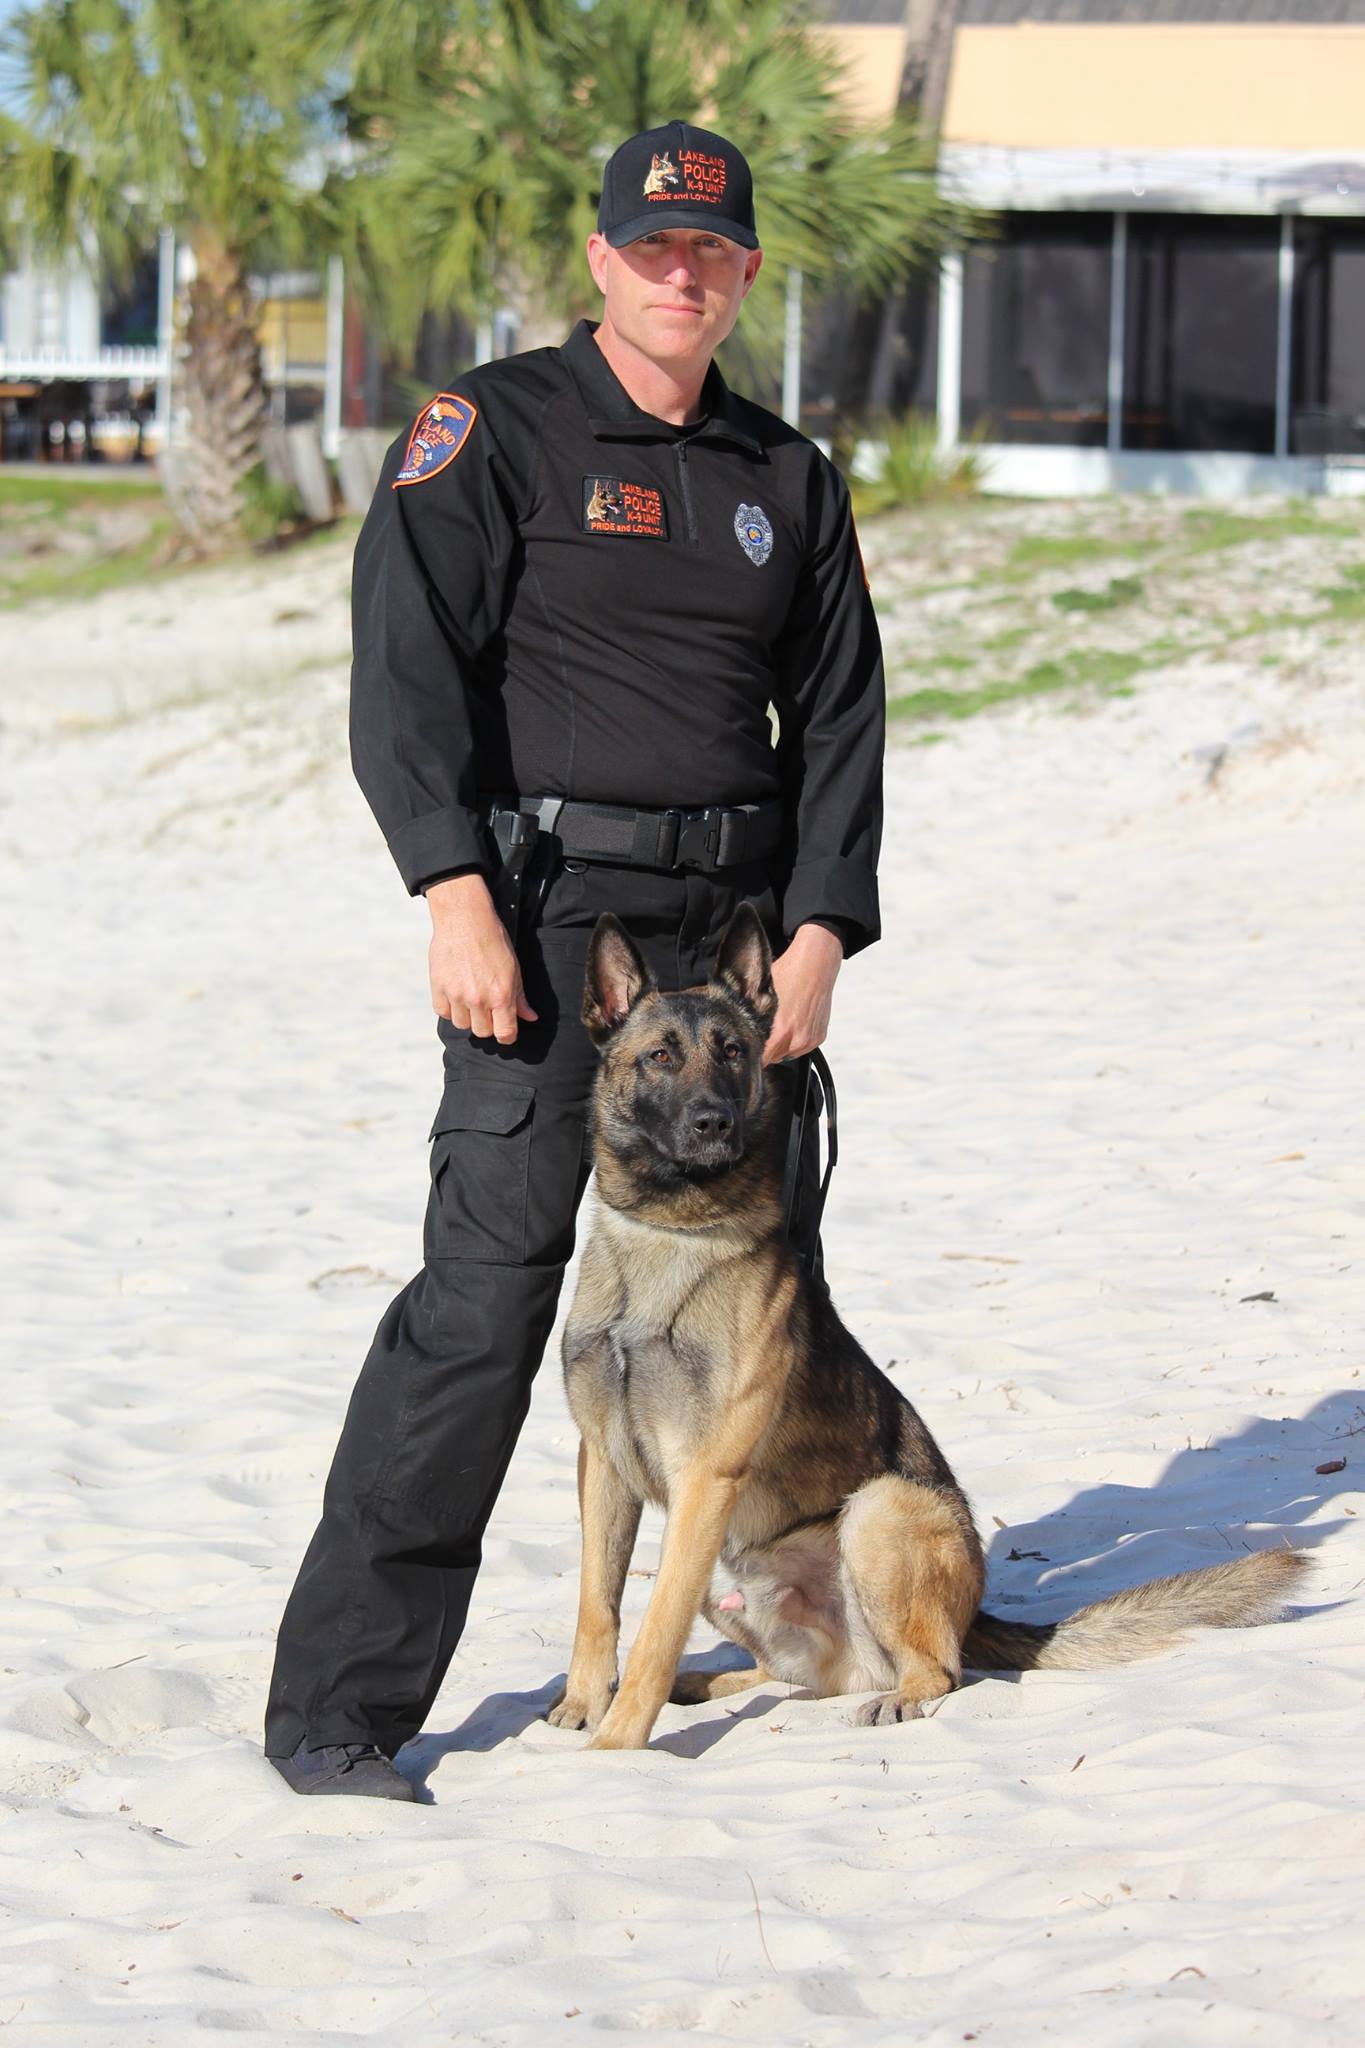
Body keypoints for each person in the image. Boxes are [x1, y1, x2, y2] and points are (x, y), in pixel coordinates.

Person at [263, 121, 884, 1798]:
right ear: (601, 260)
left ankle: (753, 1611)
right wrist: (450, 891)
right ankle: (343, 1710)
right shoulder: (494, 429)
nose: (684, 274)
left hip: (733, 951)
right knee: (484, 1301)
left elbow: (837, 722)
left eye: (715, 252)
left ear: (745, 272)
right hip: (550, 940)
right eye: (654, 248)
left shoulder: (785, 476)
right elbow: (405, 673)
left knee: (752, 1309)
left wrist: (821, 928)